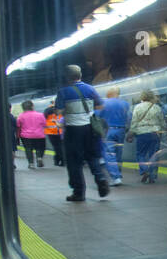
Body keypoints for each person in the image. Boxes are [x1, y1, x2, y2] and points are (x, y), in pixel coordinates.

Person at [54, 64, 109, 202]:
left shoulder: (63, 92)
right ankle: (101, 179)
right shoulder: (90, 89)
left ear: (67, 77)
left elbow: (59, 111)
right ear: (80, 75)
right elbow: (100, 105)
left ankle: (78, 192)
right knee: (92, 157)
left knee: (74, 162)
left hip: (73, 130)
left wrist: (68, 110)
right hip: (90, 129)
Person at [128, 89, 167, 183]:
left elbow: (134, 122)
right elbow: (162, 122)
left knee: (140, 154)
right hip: (155, 134)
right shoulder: (157, 107)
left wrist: (130, 133)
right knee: (154, 155)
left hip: (142, 134)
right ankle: (152, 175)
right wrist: (165, 131)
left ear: (142, 97)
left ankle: (145, 169)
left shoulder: (137, 107)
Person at [100, 85, 130, 185]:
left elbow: (97, 117)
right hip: (121, 130)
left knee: (109, 154)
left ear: (109, 94)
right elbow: (129, 117)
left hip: (109, 131)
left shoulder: (104, 103)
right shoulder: (125, 104)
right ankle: (118, 174)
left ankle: (116, 177)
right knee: (118, 153)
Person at [16, 100, 48, 169]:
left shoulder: (21, 116)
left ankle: (31, 163)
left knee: (28, 149)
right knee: (40, 148)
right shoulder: (40, 115)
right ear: (32, 106)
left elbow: (18, 125)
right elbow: (45, 124)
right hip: (39, 135)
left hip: (26, 136)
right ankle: (39, 157)